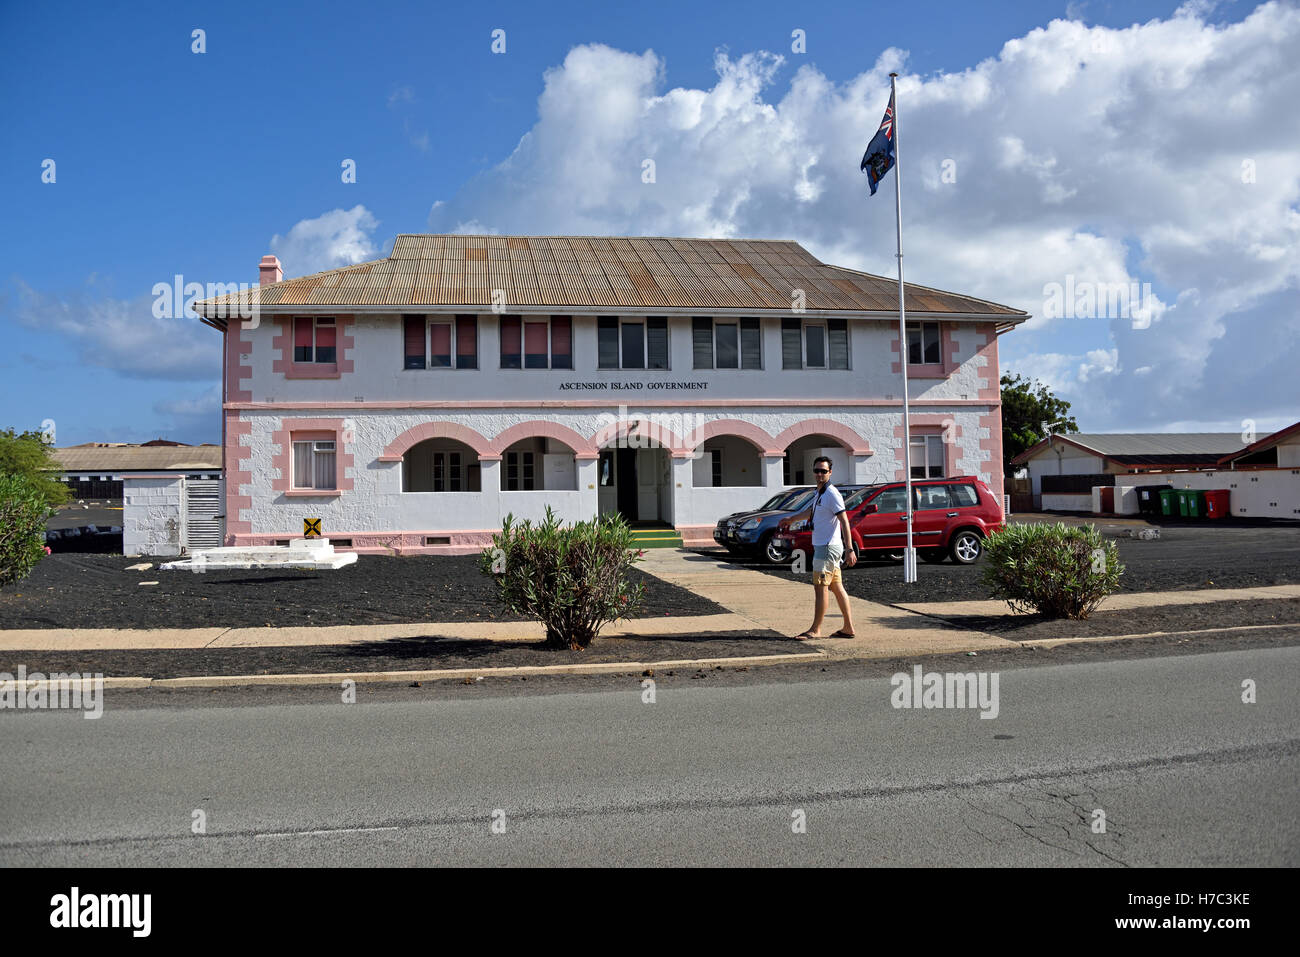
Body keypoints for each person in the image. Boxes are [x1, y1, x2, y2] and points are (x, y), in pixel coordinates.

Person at [795, 456, 857, 640]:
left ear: (830, 472)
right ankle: (848, 628)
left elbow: (844, 521)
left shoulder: (831, 493)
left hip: (828, 548)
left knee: (820, 587)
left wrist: (850, 548)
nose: (819, 474)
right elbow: (812, 512)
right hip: (825, 547)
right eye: (817, 470)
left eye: (823, 471)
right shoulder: (819, 492)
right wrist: (791, 519)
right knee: (837, 587)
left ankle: (815, 629)